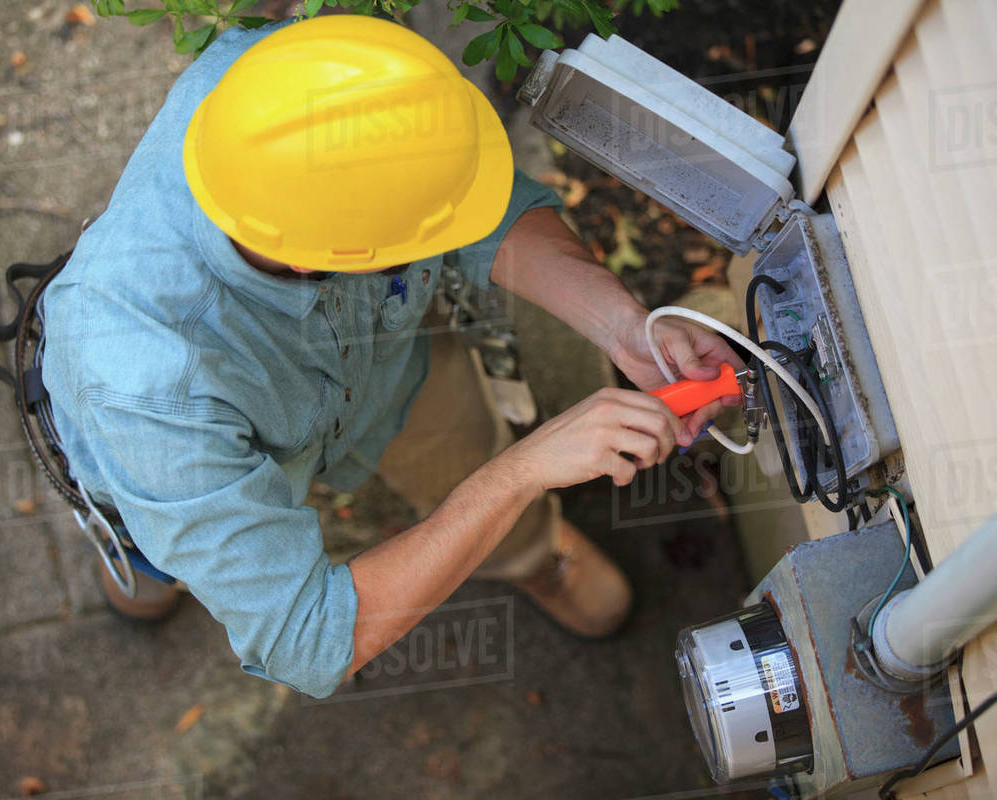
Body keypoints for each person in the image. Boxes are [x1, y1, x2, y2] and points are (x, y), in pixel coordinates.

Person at [41, 15, 740, 699]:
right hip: (165, 450)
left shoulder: (308, 78)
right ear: (333, 258)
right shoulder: (145, 389)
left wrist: (622, 327)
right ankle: (149, 568)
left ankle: (529, 553)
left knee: (460, 451)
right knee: (175, 546)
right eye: (423, 234)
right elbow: (307, 641)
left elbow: (483, 211)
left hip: (387, 365)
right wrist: (521, 472)